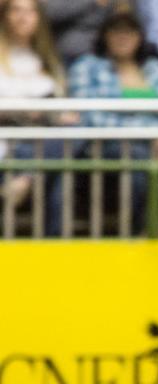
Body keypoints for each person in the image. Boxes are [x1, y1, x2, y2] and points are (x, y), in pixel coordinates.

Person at [68, 9, 158, 232]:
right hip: (107, 145)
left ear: (140, 37)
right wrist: (152, 135)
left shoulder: (157, 69)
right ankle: (141, 236)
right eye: (116, 31)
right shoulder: (87, 67)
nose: (123, 37)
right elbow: (92, 116)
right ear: (104, 35)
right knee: (141, 161)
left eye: (130, 31)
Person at [0, 0, 66, 233]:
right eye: (16, 10)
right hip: (8, 143)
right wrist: (24, 112)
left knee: (64, 153)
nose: (22, 17)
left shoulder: (49, 61)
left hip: (44, 142)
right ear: (5, 16)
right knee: (60, 163)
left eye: (29, 11)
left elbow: (61, 106)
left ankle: (26, 178)